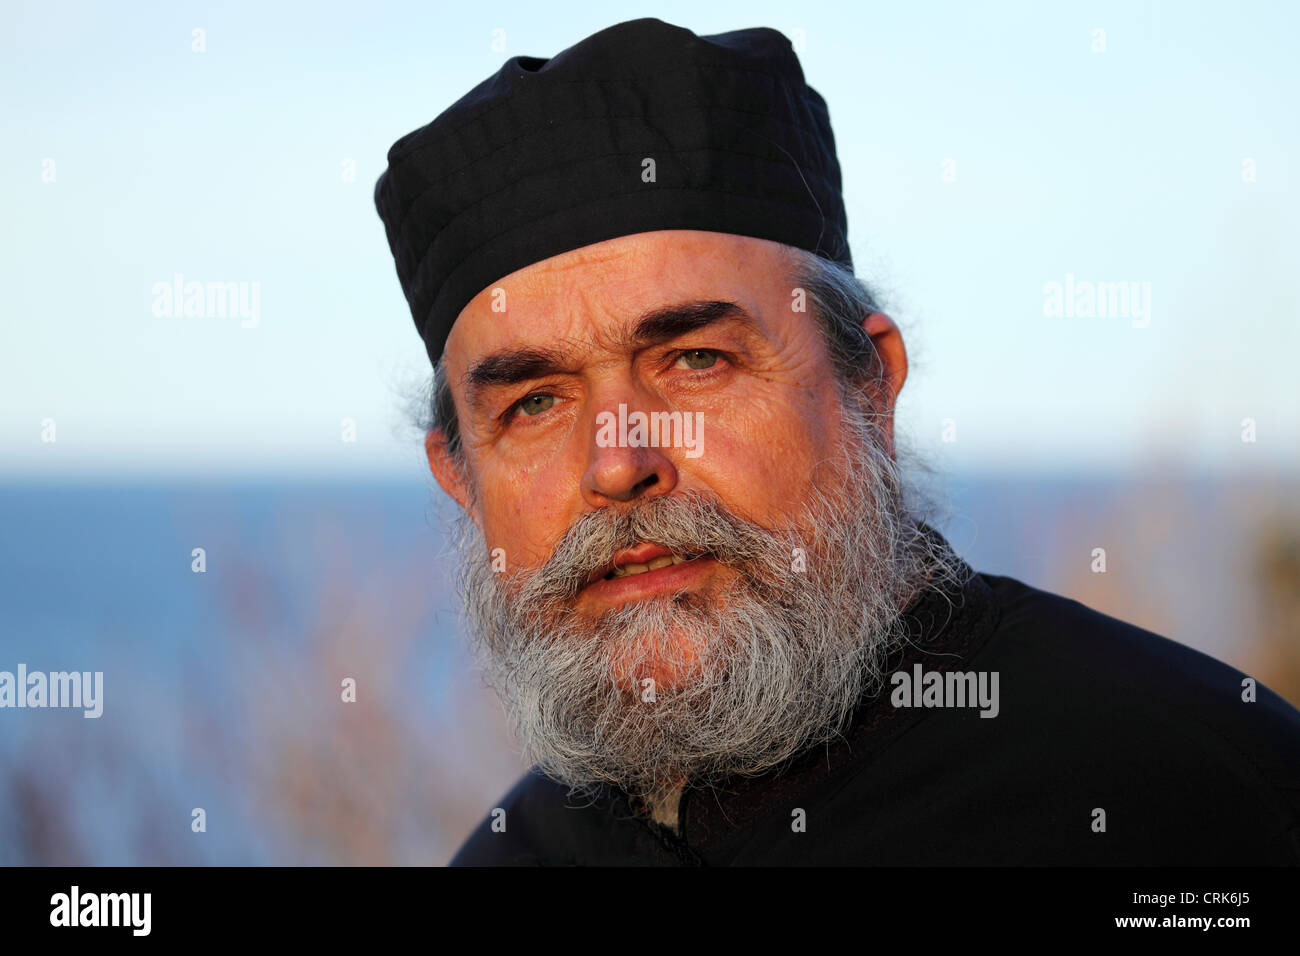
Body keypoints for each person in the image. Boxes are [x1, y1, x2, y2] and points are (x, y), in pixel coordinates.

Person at [373, 18, 1300, 865]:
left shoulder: (1199, 801)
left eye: (695, 359)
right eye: (533, 404)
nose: (617, 461)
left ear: (869, 383)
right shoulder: (513, 858)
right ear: (458, 475)